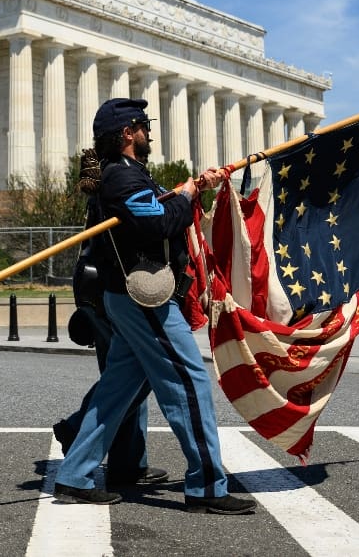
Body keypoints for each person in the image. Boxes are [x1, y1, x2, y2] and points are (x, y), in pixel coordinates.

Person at [52, 98, 256, 514]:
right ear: (127, 134)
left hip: (131, 296)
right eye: (144, 125)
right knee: (189, 383)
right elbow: (157, 223)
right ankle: (207, 487)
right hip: (142, 296)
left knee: (117, 391)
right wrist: (188, 196)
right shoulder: (122, 178)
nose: (149, 132)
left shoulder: (128, 173)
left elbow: (159, 208)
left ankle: (74, 475)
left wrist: (193, 189)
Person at [52, 169, 168, 490]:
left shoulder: (106, 191)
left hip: (101, 293)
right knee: (131, 377)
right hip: (114, 292)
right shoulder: (121, 186)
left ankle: (127, 463)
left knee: (124, 376)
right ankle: (79, 429)